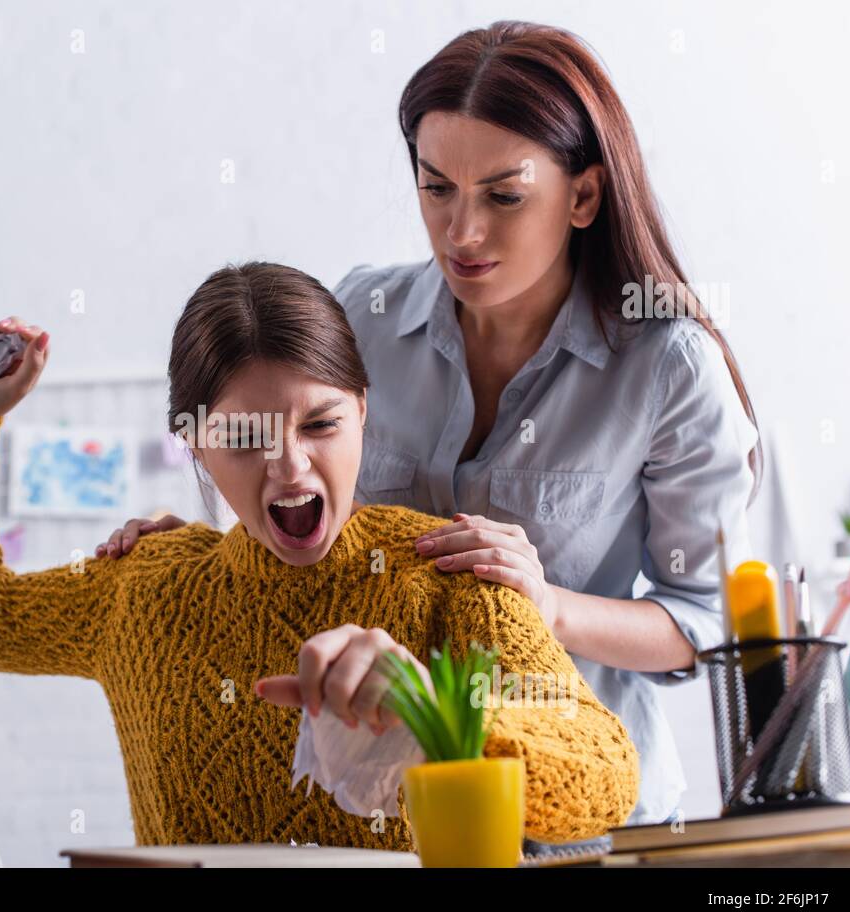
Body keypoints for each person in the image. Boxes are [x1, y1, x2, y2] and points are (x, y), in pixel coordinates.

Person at [95, 21, 760, 827]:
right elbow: (297, 497)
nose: (462, 232)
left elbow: (706, 621)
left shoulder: (668, 365)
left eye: (504, 196)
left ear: (582, 195)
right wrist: (207, 550)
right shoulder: (362, 316)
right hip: (383, 815)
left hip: (573, 810)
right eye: (436, 187)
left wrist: (548, 604)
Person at [0, 261, 639, 848]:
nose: (289, 467)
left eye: (320, 423)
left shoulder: (447, 576)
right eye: (244, 437)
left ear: (362, 408)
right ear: (192, 442)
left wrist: (437, 711)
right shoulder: (141, 588)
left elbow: (606, 775)